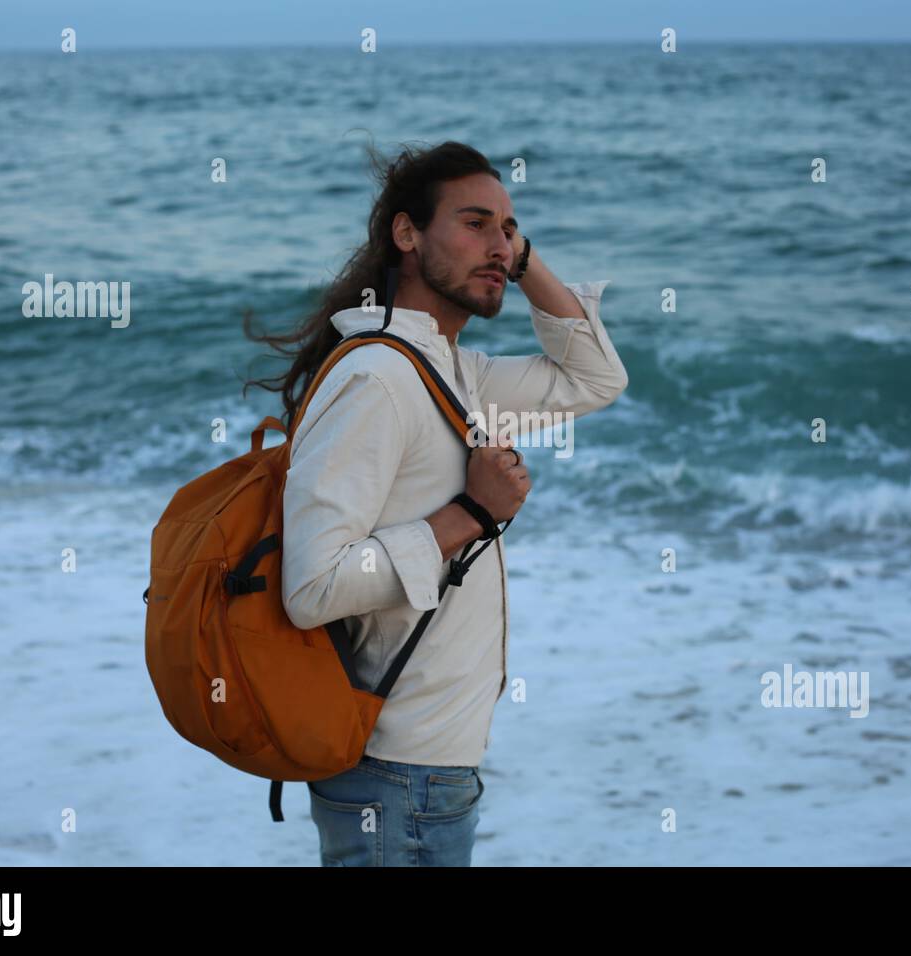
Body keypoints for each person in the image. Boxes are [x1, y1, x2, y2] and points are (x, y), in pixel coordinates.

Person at [243, 140, 628, 865]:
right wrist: (470, 517)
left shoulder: (454, 371)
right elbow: (310, 587)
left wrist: (520, 257)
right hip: (394, 777)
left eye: (509, 230)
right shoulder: (379, 377)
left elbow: (595, 378)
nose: (500, 248)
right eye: (475, 224)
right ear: (407, 235)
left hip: (427, 777)